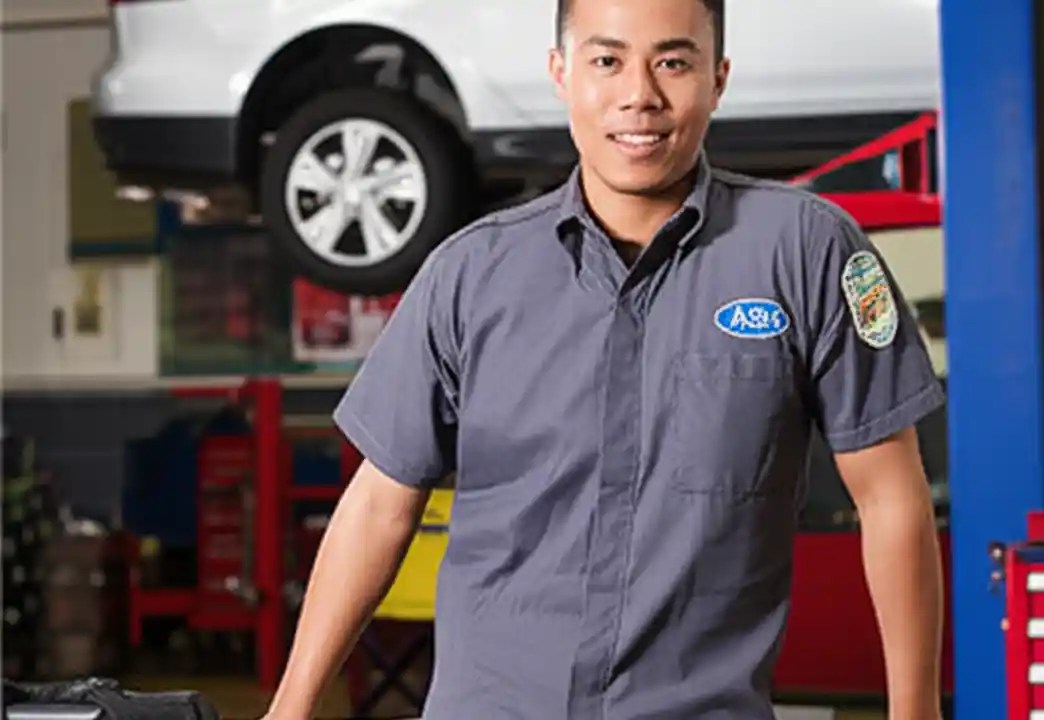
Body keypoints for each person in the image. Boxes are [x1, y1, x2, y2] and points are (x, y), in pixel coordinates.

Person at [263, 0, 947, 717]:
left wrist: (916, 710)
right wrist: (292, 705)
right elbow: (377, 505)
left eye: (673, 63)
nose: (639, 96)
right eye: (607, 61)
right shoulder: (470, 274)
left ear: (718, 79)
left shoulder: (804, 251)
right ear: (561, 74)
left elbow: (890, 496)